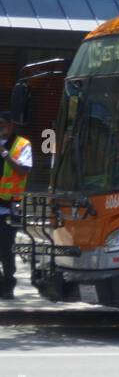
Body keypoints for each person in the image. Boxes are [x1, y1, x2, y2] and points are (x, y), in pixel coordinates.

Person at [0, 110, 33, 298]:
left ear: (11, 125)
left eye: (3, 123)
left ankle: (8, 285)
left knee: (6, 248)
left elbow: (23, 170)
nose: (0, 126)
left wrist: (4, 153)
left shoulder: (22, 144)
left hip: (9, 207)